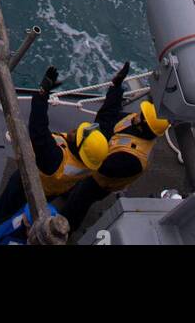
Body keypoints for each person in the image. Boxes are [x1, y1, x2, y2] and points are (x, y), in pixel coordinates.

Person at [0, 60, 130, 244]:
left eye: (79, 134)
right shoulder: (95, 154)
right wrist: (116, 87)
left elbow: (38, 130)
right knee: (11, 208)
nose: (76, 130)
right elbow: (107, 120)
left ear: (78, 144)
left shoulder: (55, 159)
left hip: (28, 185)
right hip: (51, 193)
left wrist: (43, 94)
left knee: (5, 213)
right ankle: (0, 211)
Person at [56, 98, 171, 231]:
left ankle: (63, 229)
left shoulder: (133, 159)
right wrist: (115, 91)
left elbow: (103, 166)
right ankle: (67, 194)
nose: (137, 114)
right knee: (75, 191)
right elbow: (109, 119)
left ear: (144, 125)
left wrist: (85, 147)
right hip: (100, 166)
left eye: (141, 115)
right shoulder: (134, 122)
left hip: (100, 183)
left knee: (79, 202)